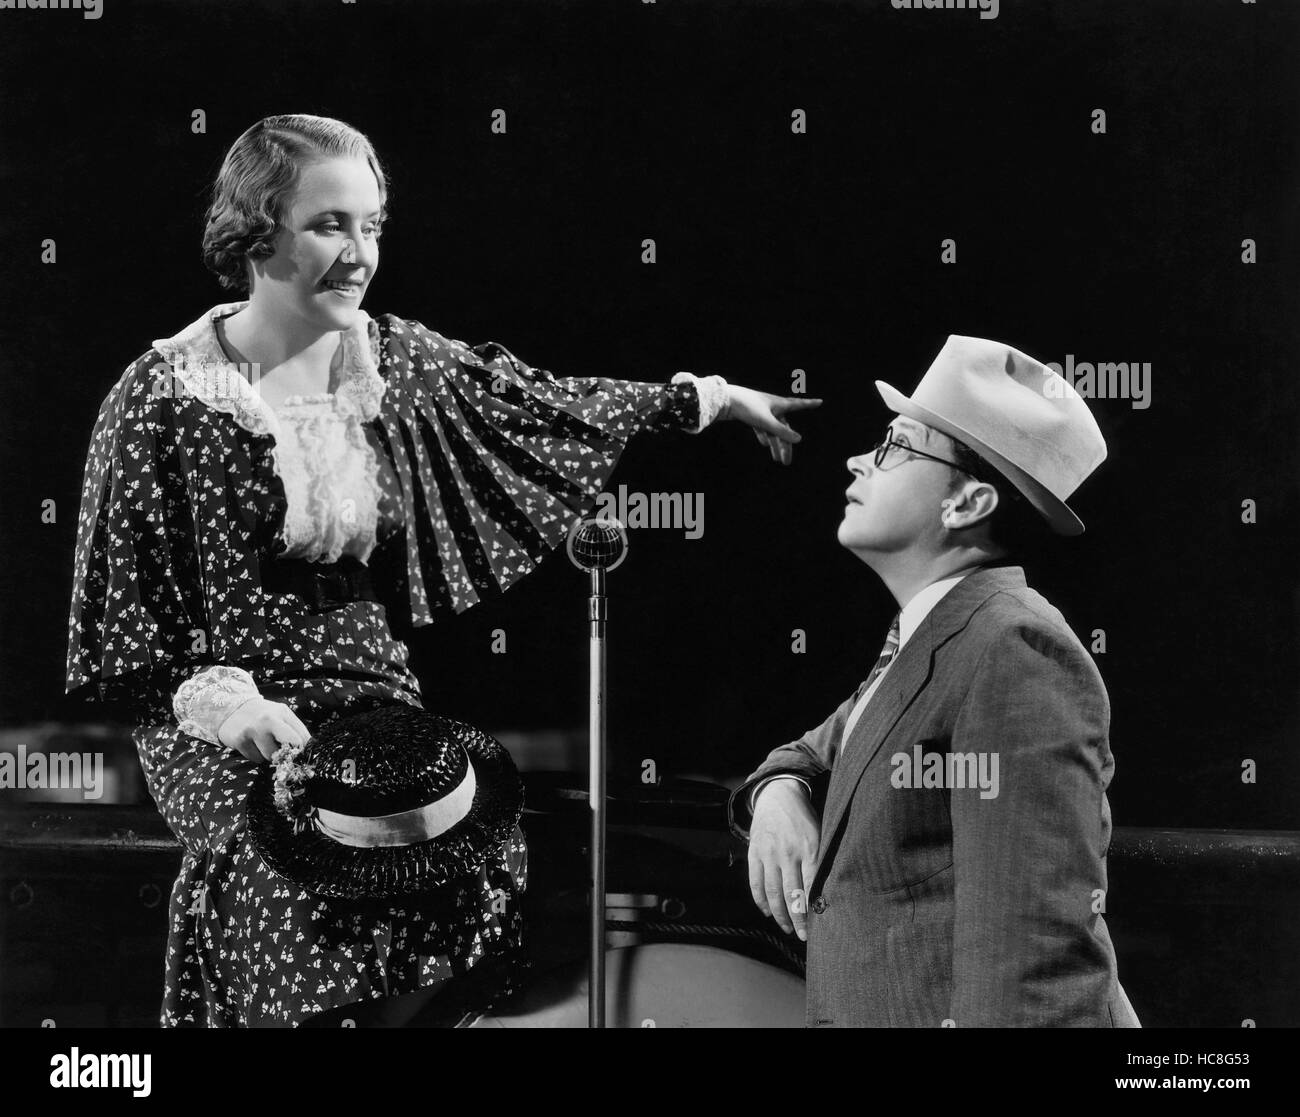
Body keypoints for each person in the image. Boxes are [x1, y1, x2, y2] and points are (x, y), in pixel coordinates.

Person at [64, 113, 820, 1028]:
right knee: (284, 860)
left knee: (467, 839)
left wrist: (708, 399)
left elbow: (541, 400)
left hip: (367, 691)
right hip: (215, 701)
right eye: (330, 224)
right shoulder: (165, 394)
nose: (360, 253)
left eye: (372, 225)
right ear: (256, 232)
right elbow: (136, 625)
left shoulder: (390, 361)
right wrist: (232, 709)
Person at [728, 335, 1140, 1027]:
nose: (859, 459)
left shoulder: (1013, 648)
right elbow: (815, 748)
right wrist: (777, 794)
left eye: (895, 446)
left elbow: (1034, 958)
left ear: (967, 502)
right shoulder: (932, 635)